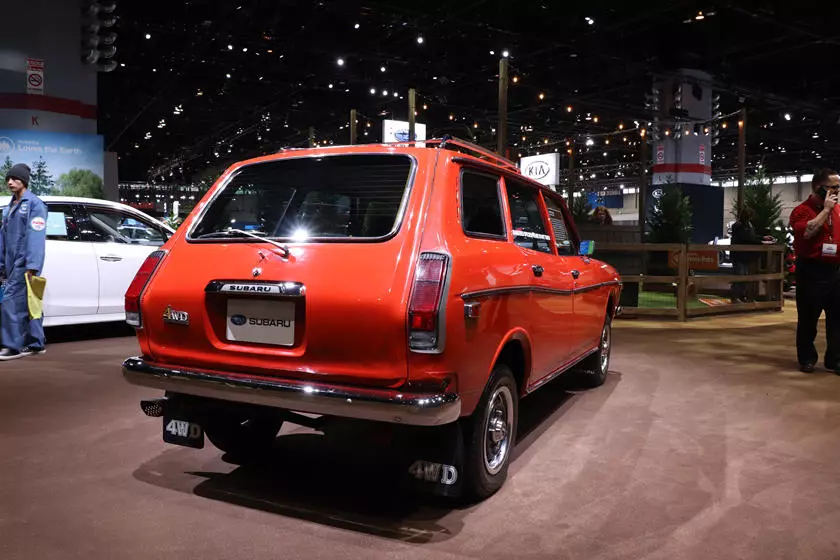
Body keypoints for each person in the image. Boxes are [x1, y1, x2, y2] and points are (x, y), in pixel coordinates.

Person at [789, 168, 840, 373]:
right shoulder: (801, 210)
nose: (838, 191)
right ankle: (807, 358)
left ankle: (835, 359)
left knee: (837, 319)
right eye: (834, 187)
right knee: (809, 318)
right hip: (812, 272)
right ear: (819, 188)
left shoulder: (838, 209)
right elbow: (808, 233)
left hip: (835, 272)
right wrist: (825, 210)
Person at [0, 164, 48, 360]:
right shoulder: (9, 207)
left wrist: (32, 265)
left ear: (24, 181)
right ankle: (36, 343)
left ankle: (12, 346)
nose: (10, 182)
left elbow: (36, 236)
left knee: (10, 301)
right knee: (30, 303)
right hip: (10, 264)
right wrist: (1, 265)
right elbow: (3, 237)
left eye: (15, 178)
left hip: (24, 262)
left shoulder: (35, 205)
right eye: (8, 179)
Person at [730, 207, 774, 303]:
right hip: (738, 255)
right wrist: (761, 242)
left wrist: (763, 238)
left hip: (745, 255)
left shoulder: (748, 225)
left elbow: (751, 237)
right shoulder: (738, 226)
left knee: (745, 276)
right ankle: (735, 296)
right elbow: (746, 238)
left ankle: (741, 296)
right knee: (739, 275)